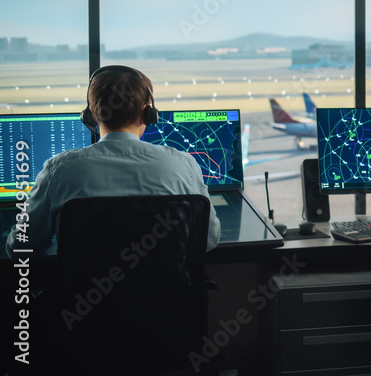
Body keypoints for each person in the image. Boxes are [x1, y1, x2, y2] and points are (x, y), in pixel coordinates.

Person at [5, 65, 221, 259]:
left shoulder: (58, 170)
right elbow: (208, 240)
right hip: (166, 301)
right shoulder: (185, 166)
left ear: (89, 116)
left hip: (84, 301)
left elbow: (20, 249)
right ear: (147, 114)